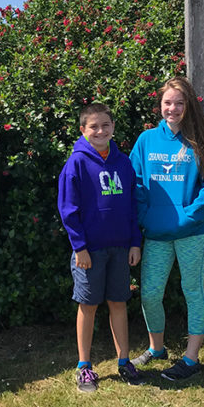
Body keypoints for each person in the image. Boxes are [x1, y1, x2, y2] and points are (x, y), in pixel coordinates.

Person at [129, 76, 204, 381]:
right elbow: (136, 184)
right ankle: (156, 348)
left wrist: (187, 216)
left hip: (192, 232)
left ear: (188, 107)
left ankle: (191, 358)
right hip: (156, 232)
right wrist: (145, 216)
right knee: (150, 293)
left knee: (192, 289)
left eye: (179, 103)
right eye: (168, 102)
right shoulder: (146, 141)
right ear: (160, 104)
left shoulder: (201, 139)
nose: (172, 108)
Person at [57, 102, 146, 392]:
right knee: (89, 305)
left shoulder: (124, 163)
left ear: (113, 128)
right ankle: (84, 366)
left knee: (119, 302)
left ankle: (124, 360)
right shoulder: (77, 163)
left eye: (105, 125)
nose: (100, 130)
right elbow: (68, 209)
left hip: (120, 248)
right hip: (90, 252)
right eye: (93, 126)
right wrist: (79, 247)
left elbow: (132, 206)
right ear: (83, 130)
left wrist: (135, 242)